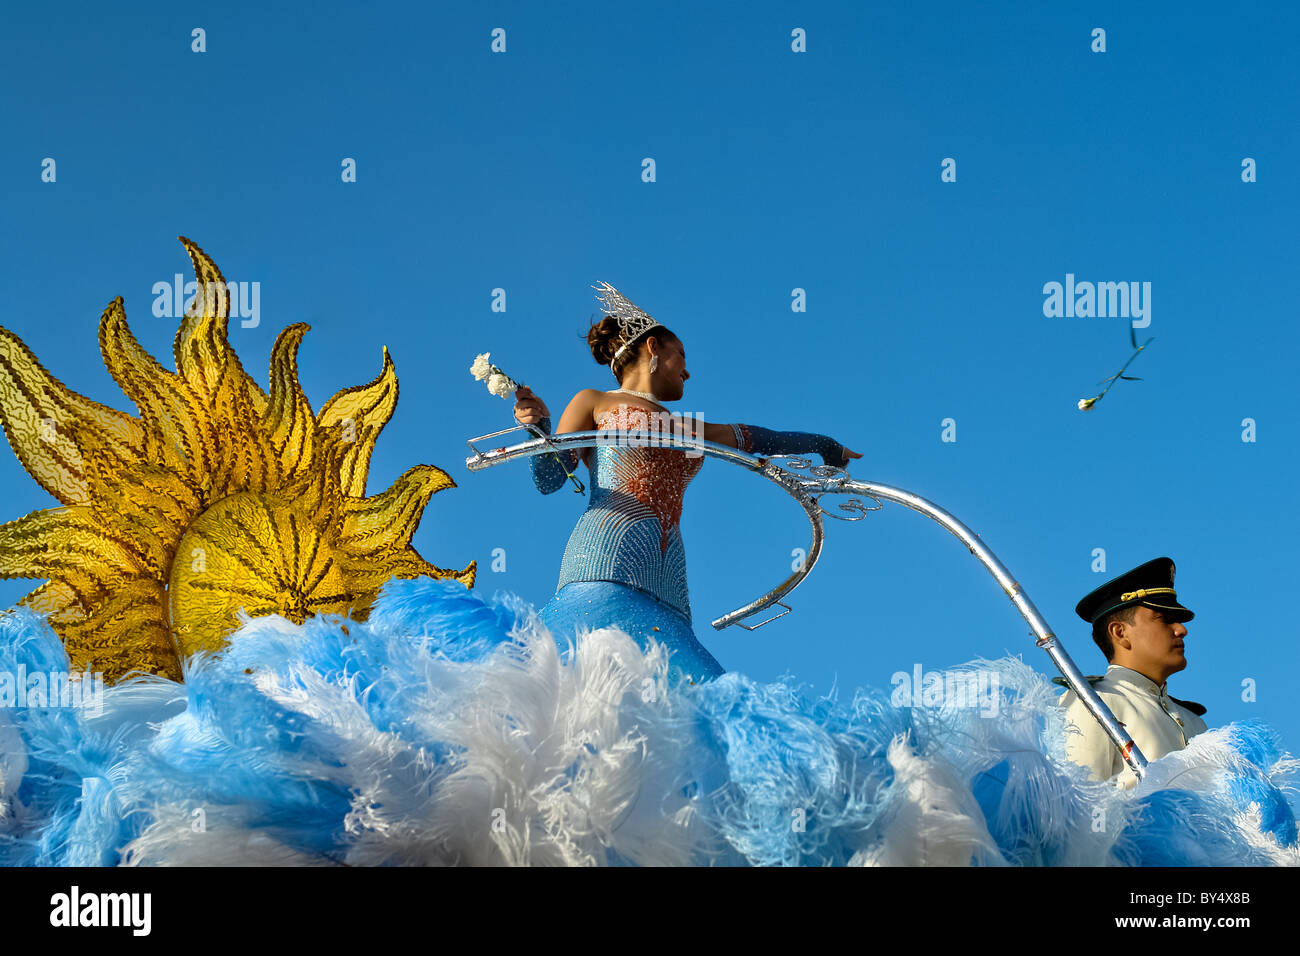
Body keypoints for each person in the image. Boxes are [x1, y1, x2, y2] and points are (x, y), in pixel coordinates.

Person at [512, 282, 862, 687]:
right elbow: (550, 478)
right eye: (682, 354)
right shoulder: (595, 401)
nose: (688, 370)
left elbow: (762, 437)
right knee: (563, 682)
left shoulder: (689, 427)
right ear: (654, 347)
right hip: (603, 567)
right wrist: (538, 428)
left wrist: (825, 446)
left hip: (671, 592)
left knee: (711, 702)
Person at [1057, 557, 1208, 787]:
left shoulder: (1195, 723)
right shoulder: (1094, 703)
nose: (1181, 629)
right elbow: (1077, 808)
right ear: (1119, 632)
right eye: (1164, 619)